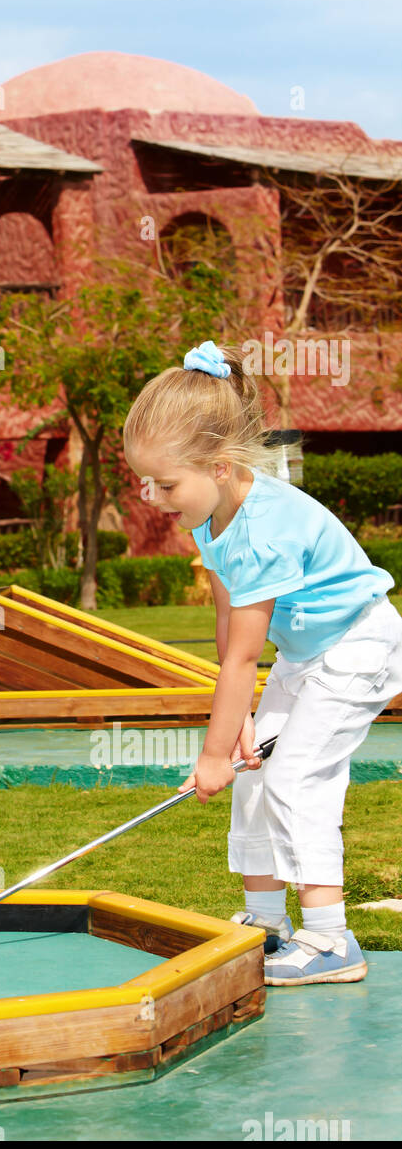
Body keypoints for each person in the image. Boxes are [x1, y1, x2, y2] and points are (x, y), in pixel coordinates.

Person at [123, 340, 402, 984]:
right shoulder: (210, 518)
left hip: (358, 646)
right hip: (306, 652)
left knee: (296, 776)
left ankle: (331, 940)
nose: (155, 497)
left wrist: (213, 754)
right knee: (256, 772)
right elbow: (227, 624)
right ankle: (267, 923)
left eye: (166, 484)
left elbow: (246, 657)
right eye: (148, 482)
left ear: (220, 466)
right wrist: (237, 729)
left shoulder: (266, 529)